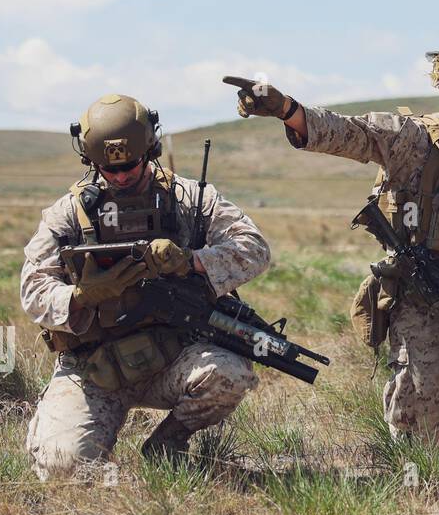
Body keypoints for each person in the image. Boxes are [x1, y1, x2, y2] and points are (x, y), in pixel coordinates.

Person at [224, 43, 439, 478]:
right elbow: (345, 131)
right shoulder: (410, 140)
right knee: (427, 460)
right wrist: (286, 109)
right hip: (423, 303)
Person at [23, 94, 271, 479]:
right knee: (63, 468)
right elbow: (33, 291)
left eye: (131, 166)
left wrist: (191, 261)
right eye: (109, 169)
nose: (121, 177)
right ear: (92, 161)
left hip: (172, 357)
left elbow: (254, 249)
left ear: (150, 151)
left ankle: (167, 444)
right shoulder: (68, 214)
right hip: (92, 366)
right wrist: (80, 297)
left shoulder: (189, 199)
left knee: (229, 372)